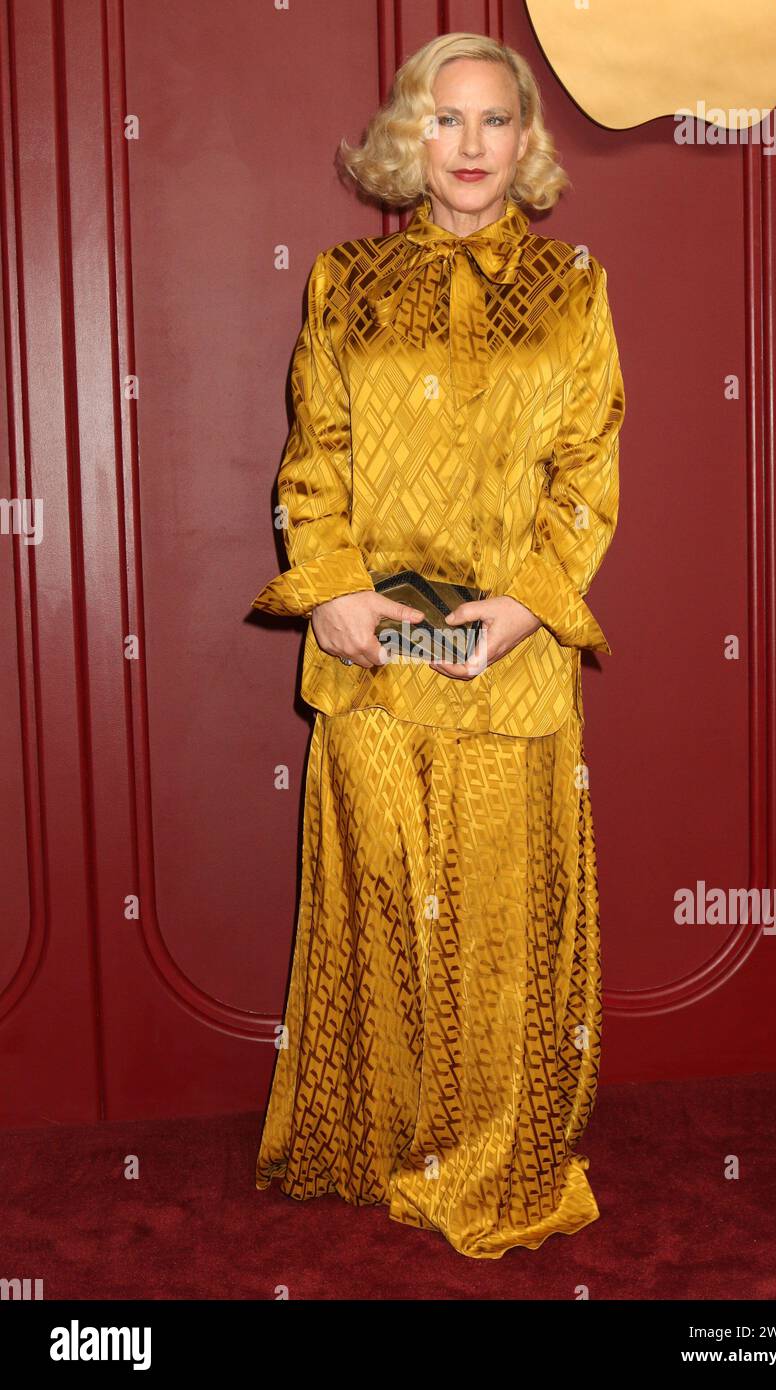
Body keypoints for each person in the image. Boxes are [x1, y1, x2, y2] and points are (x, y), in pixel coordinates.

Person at [250, 30, 626, 1260]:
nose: (469, 146)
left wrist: (522, 605)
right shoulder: (340, 283)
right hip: (367, 653)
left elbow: (584, 476)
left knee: (495, 927)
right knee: (380, 909)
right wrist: (333, 597)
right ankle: (380, 1136)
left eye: (493, 121)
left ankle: (486, 1148)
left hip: (507, 653)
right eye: (445, 120)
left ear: (525, 144)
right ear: (410, 138)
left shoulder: (573, 285)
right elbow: (312, 466)